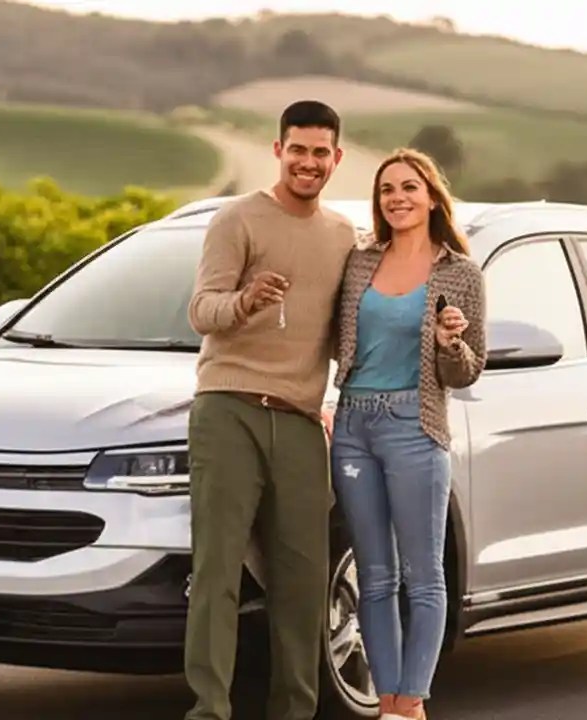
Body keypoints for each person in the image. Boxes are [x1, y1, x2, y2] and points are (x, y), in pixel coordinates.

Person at [183, 100, 358, 720]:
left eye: (320, 153)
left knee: (303, 582)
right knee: (217, 573)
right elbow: (202, 310)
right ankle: (210, 710)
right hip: (228, 409)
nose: (308, 162)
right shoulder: (238, 220)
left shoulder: (343, 238)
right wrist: (247, 301)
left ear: (336, 159)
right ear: (277, 150)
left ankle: (294, 711)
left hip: (302, 421)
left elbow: (348, 333)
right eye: (298, 149)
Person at [329, 148, 487, 720]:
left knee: (423, 577)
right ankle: (386, 703)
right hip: (352, 425)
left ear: (431, 197)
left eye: (409, 187)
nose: (397, 197)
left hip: (414, 426)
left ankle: (409, 702)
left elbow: (468, 370)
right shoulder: (358, 263)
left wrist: (451, 343)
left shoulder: (459, 273)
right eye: (387, 189)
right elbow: (331, 341)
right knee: (373, 575)